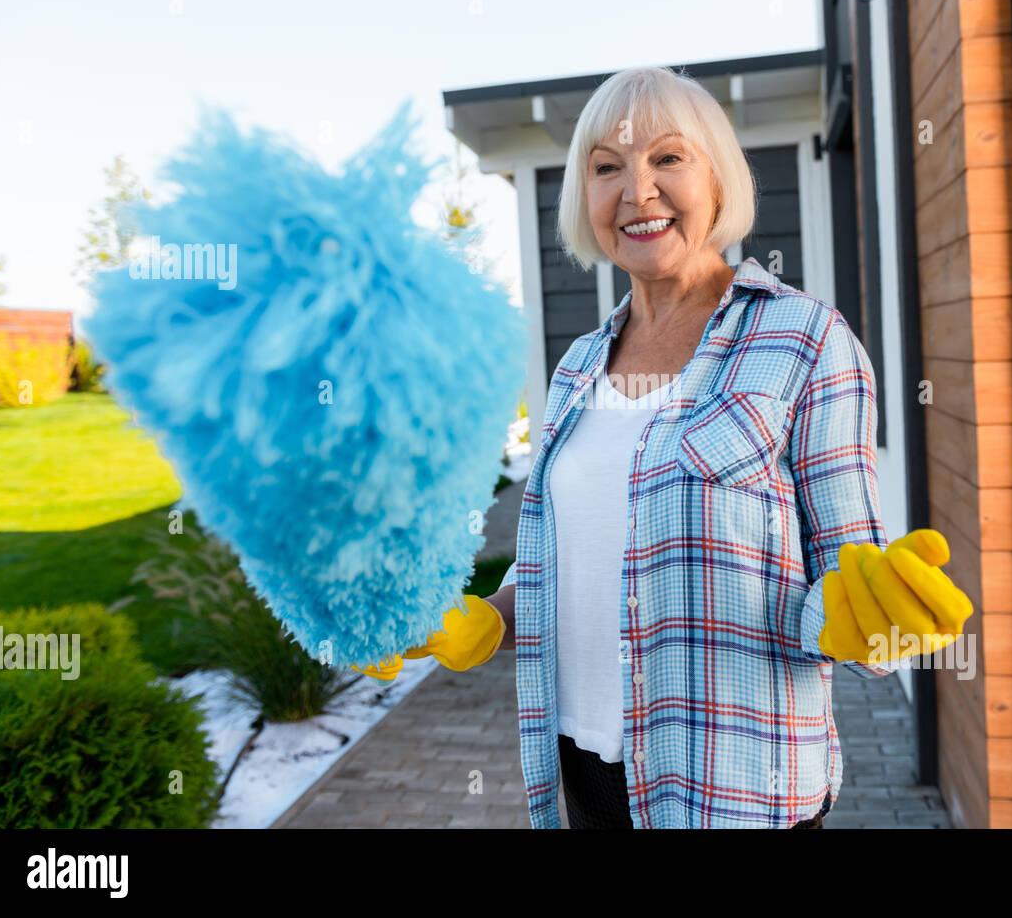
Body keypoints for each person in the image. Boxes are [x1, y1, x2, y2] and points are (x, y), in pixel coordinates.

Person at [361, 66, 973, 829]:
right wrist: (488, 617)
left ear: (716, 177)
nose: (637, 191)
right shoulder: (578, 366)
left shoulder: (806, 340)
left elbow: (849, 570)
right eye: (607, 168)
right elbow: (564, 556)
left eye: (668, 158)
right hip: (583, 776)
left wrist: (862, 620)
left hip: (733, 795)